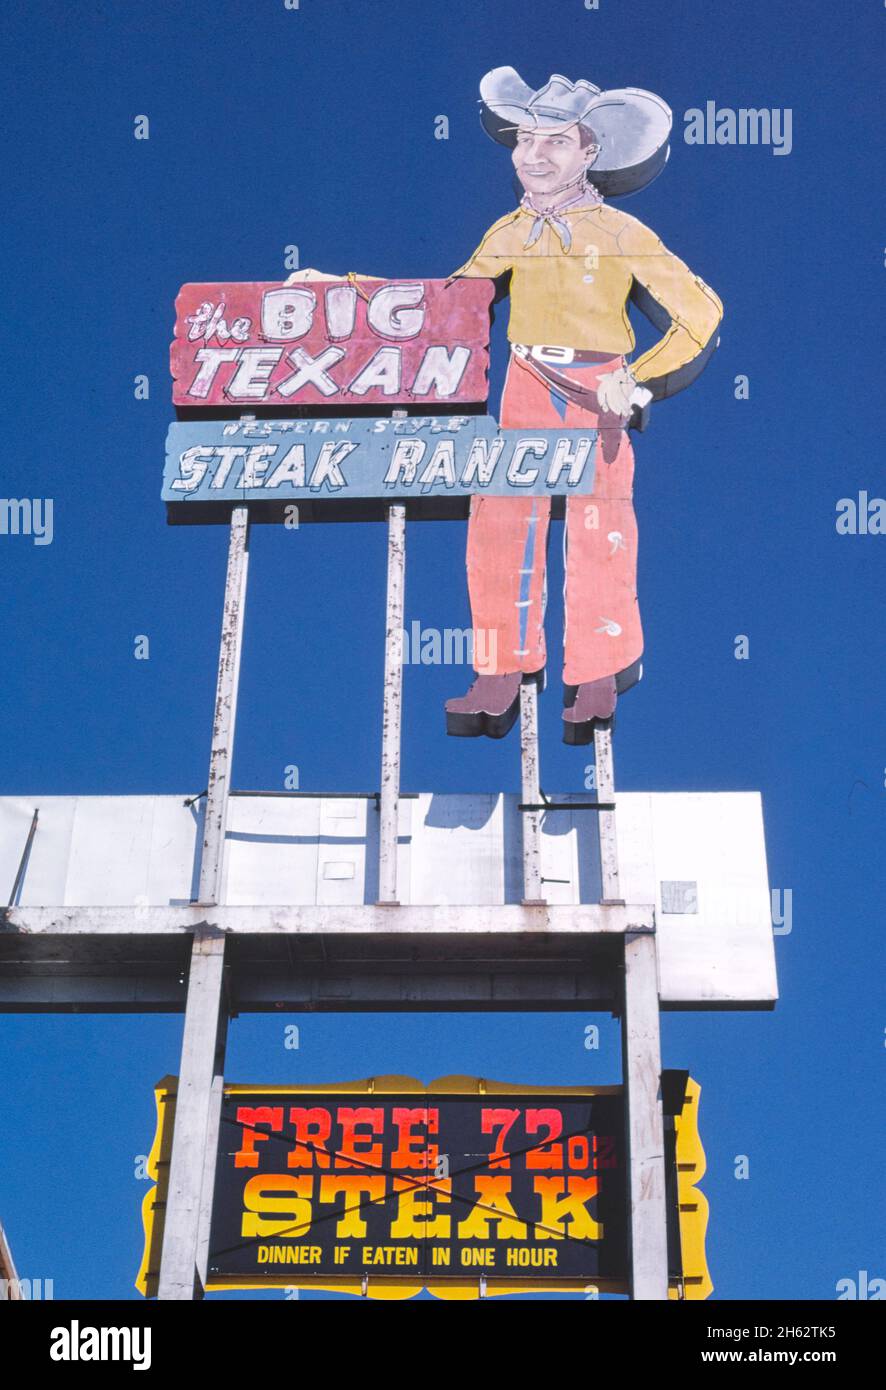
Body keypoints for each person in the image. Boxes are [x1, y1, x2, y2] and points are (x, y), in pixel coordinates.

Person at [289, 68, 723, 743]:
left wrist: (637, 379)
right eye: (525, 139)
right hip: (525, 381)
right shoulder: (510, 232)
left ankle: (597, 673)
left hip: (599, 388)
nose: (534, 155)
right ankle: (499, 670)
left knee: (600, 525)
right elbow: (447, 304)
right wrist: (343, 293)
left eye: (555, 141)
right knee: (499, 521)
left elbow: (700, 312)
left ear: (589, 153)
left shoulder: (622, 232)